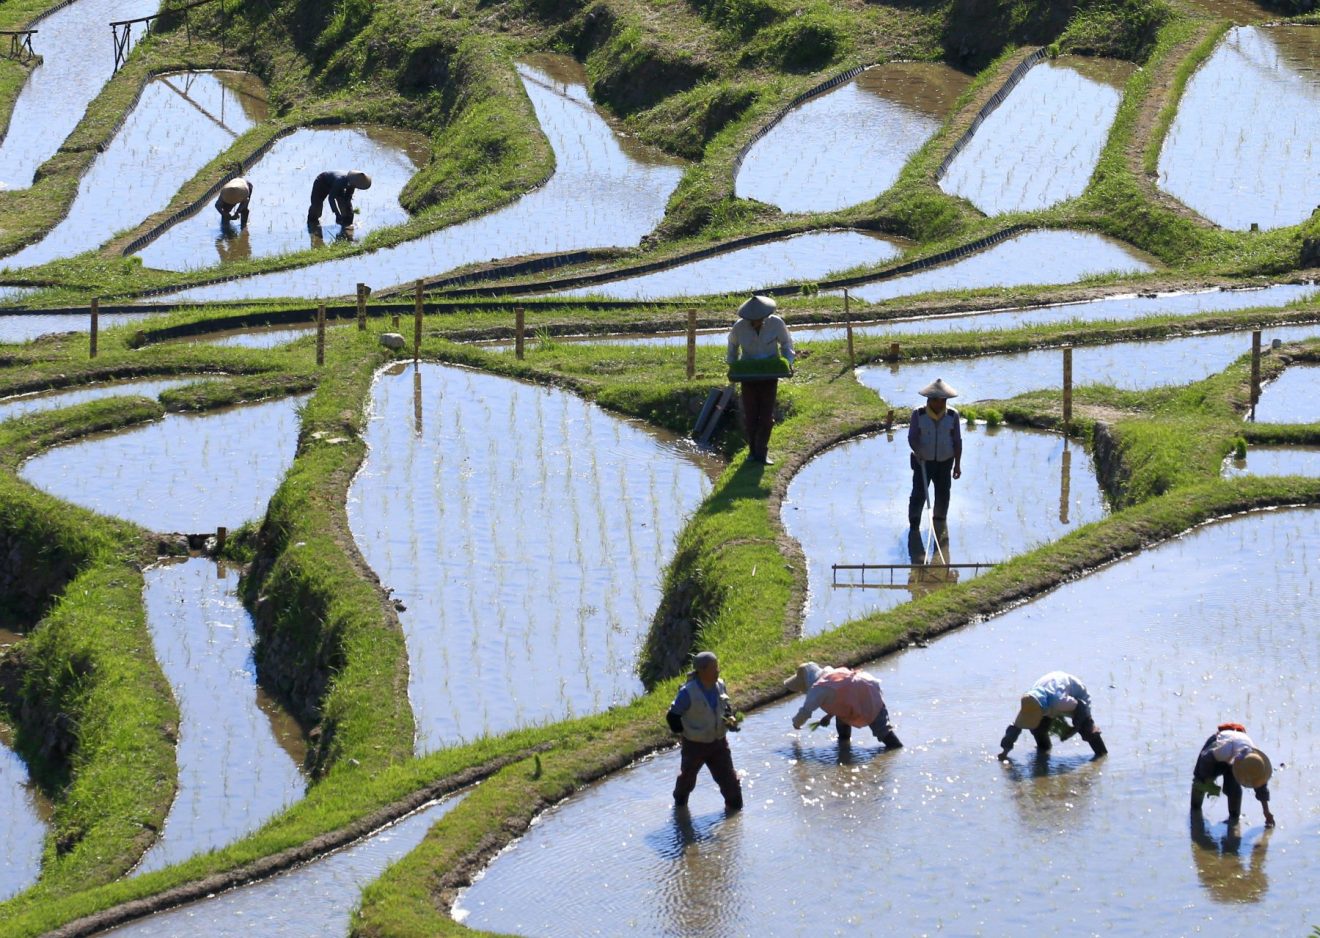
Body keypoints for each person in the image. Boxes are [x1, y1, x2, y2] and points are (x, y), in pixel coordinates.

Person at [666, 651, 744, 811]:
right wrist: (684, 732)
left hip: (718, 743)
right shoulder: (687, 692)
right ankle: (680, 808)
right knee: (687, 781)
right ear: (702, 670)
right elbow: (672, 716)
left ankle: (734, 811)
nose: (718, 671)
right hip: (694, 746)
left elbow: (726, 709)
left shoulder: (720, 685)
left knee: (730, 782)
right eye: (714, 668)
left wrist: (729, 719)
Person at [726, 295, 794, 466]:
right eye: (752, 321)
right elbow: (732, 348)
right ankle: (752, 452)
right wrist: (733, 366)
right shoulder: (739, 328)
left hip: (769, 375)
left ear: (765, 317)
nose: (756, 323)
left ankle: (762, 452)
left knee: (766, 416)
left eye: (759, 320)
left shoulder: (776, 324)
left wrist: (788, 363)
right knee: (750, 416)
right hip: (748, 376)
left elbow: (786, 344)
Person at [784, 661, 902, 749]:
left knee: (883, 733)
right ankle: (844, 742)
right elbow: (842, 695)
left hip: (866, 697)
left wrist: (796, 723)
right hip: (869, 688)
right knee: (842, 717)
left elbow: (805, 711)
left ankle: (896, 750)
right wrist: (829, 716)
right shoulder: (830, 675)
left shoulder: (817, 689)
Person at [998, 671, 1107, 759]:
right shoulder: (1030, 701)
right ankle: (1044, 749)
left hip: (1077, 699)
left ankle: (1102, 755)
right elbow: (1015, 728)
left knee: (1087, 730)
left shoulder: (1060, 702)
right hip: (1049, 696)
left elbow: (1081, 707)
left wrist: (1074, 729)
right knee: (1037, 728)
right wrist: (1005, 752)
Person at [1190, 723, 1275, 828]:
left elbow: (1260, 785)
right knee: (1200, 782)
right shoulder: (1223, 750)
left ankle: (1234, 818)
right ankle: (1195, 811)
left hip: (1237, 753)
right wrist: (1208, 782)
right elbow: (1205, 759)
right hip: (1218, 746)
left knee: (1233, 788)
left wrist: (1266, 812)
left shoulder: (1255, 762)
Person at [908, 378, 962, 529]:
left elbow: (957, 441)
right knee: (919, 494)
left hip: (945, 462)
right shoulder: (918, 414)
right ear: (930, 400)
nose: (941, 404)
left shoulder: (952, 415)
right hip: (923, 462)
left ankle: (939, 523)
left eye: (943, 401)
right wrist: (917, 450)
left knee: (943, 494)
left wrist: (957, 465)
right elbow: (912, 437)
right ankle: (914, 524)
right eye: (938, 401)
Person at [307, 170, 372, 227]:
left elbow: (348, 197)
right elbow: (331, 198)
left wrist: (348, 208)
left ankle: (347, 223)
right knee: (317, 207)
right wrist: (337, 213)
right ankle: (312, 225)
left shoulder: (353, 183)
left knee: (345, 205)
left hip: (336, 184)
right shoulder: (341, 180)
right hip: (322, 182)